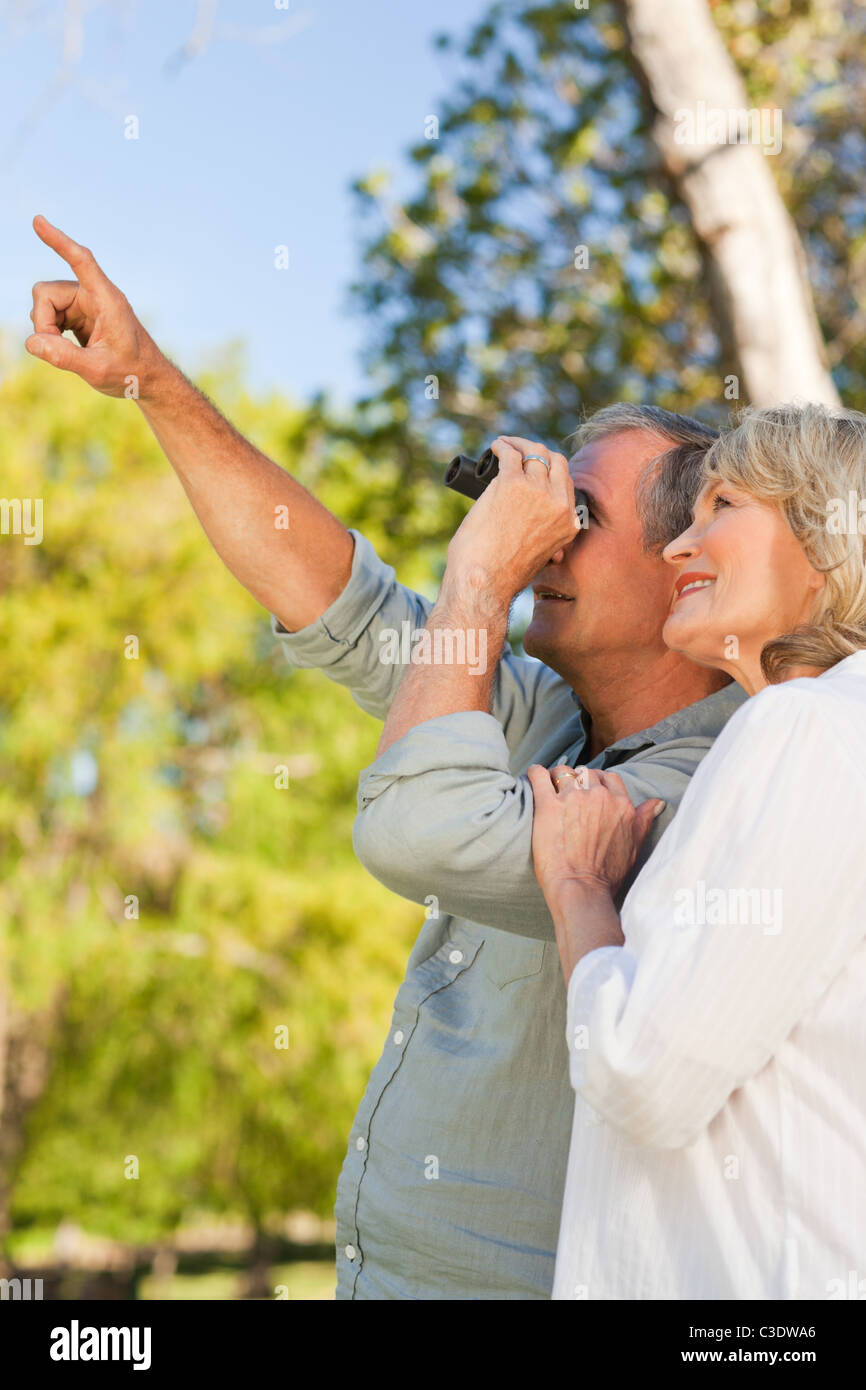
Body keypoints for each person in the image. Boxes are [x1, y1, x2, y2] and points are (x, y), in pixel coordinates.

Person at [27, 215, 746, 1300]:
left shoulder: (702, 795)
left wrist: (477, 576)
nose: (540, 535)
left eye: (576, 516)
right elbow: (342, 603)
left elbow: (419, 829)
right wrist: (149, 383)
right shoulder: (545, 713)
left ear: (684, 568)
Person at [528, 402, 866, 1300]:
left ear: (829, 540)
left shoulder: (803, 730)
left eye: (722, 506)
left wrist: (576, 887)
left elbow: (647, 1076)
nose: (680, 546)